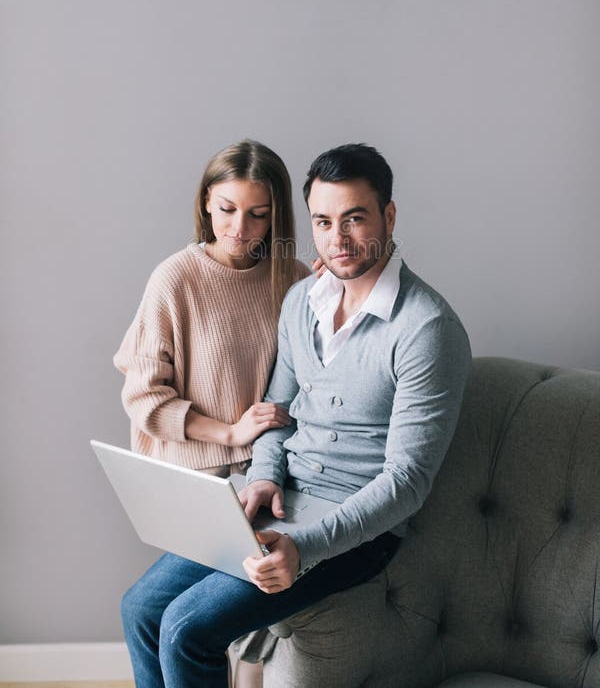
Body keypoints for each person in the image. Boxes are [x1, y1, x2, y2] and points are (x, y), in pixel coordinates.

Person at [120, 143, 472, 688]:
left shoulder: (427, 329)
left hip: (354, 527)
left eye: (355, 218)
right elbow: (276, 414)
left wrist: (303, 546)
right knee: (140, 609)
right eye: (324, 221)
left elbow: (406, 483)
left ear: (389, 216)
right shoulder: (301, 298)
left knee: (186, 630)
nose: (338, 238)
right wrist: (262, 477)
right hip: (281, 499)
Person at [114, 139, 309, 688]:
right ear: (205, 203)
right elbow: (145, 398)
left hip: (266, 476)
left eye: (257, 214)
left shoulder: (291, 279)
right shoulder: (175, 278)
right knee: (149, 615)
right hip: (195, 482)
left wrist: (331, 283)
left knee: (170, 621)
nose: (240, 228)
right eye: (226, 209)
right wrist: (228, 430)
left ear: (277, 216)